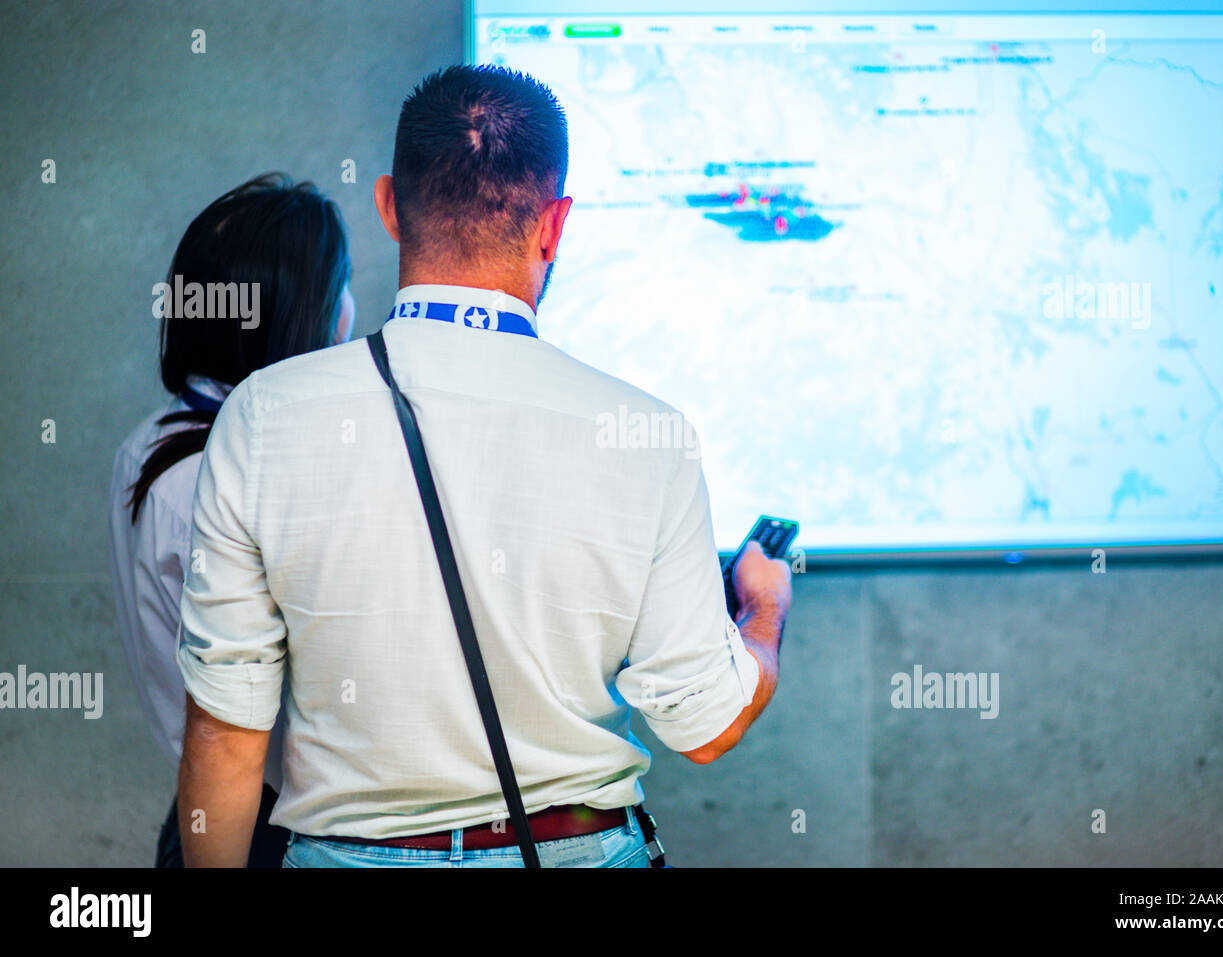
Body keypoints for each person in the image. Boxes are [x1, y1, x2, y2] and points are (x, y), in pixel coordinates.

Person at [176, 65, 793, 869]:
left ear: (391, 206)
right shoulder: (648, 432)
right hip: (578, 848)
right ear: (555, 225)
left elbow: (227, 732)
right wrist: (764, 614)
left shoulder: (262, 416)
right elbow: (706, 727)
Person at [108, 172, 353, 867]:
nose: (352, 317)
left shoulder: (160, 442)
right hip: (259, 825)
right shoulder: (213, 478)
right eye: (340, 292)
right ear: (297, 318)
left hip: (227, 806)